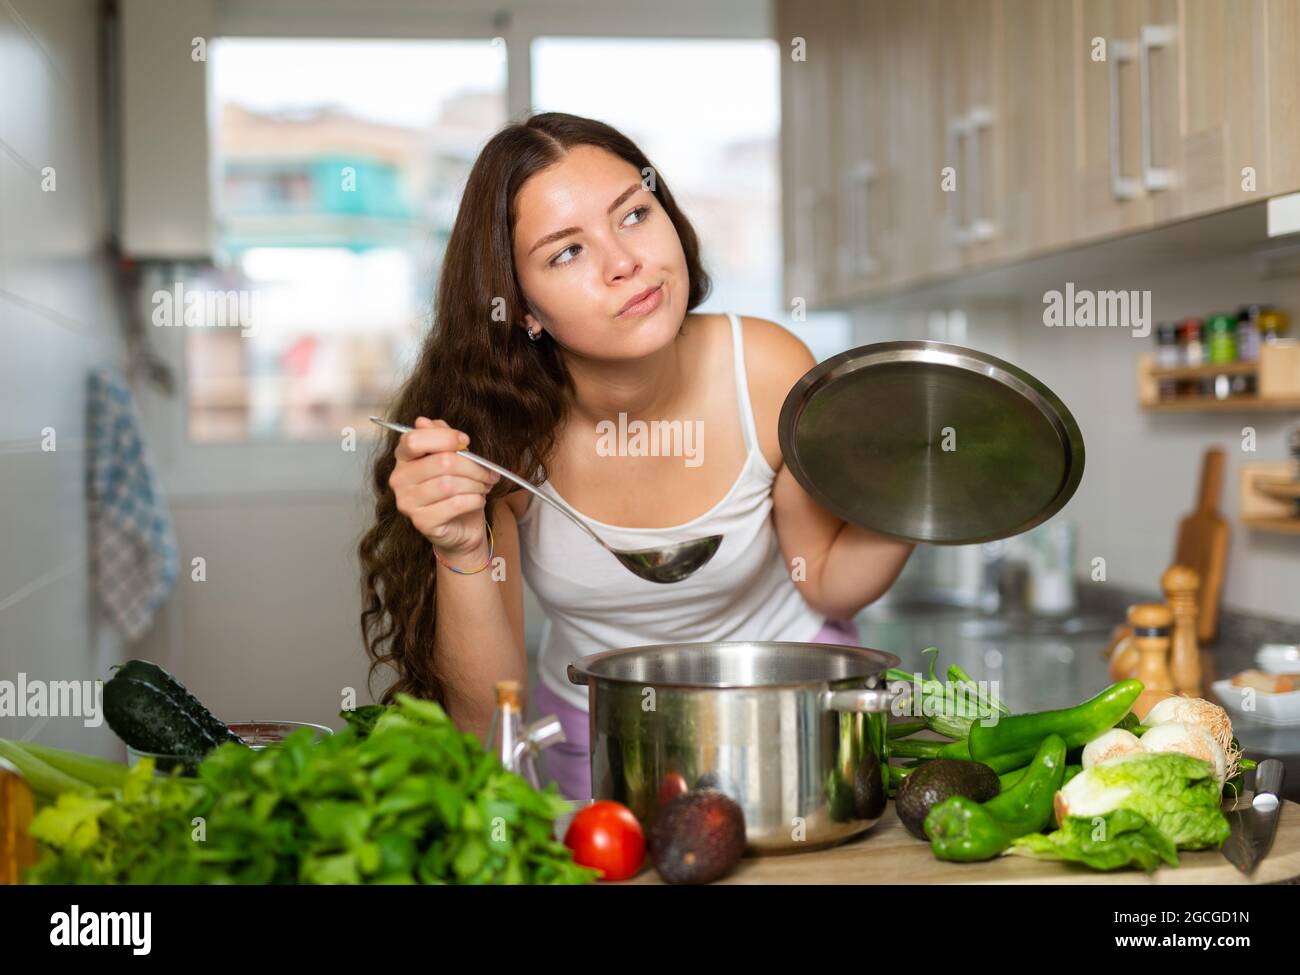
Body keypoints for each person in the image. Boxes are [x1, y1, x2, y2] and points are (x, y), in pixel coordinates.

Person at [359, 112, 915, 799]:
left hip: (795, 716)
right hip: (603, 744)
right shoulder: (498, 439)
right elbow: (483, 724)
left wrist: (915, 489)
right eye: (566, 252)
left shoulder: (766, 368)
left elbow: (825, 579)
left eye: (633, 214)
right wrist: (459, 544)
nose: (624, 262)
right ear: (524, 308)